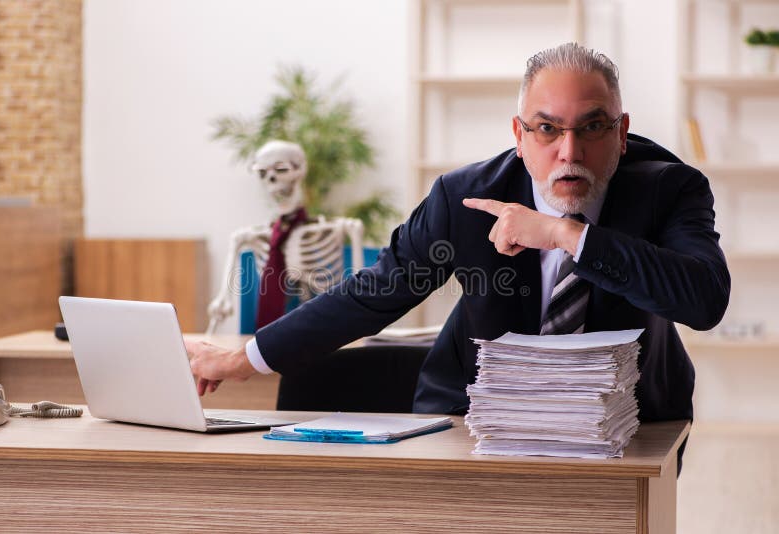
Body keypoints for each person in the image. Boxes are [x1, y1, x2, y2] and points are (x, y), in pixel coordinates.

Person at [187, 43, 730, 431]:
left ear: (622, 131)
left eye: (592, 127)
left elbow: (704, 299)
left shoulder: (670, 189)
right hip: (474, 415)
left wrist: (567, 236)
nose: (569, 151)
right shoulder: (464, 197)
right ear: (518, 134)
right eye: (546, 128)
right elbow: (374, 293)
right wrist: (241, 360)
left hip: (630, 420)